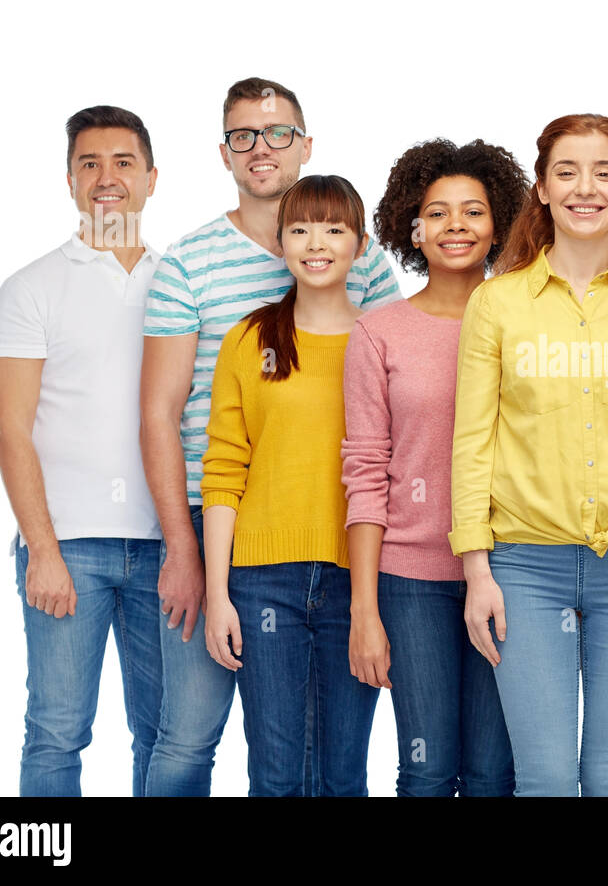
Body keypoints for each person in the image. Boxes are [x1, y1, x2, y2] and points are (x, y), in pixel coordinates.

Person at [141, 77, 401, 796]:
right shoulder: (218, 297)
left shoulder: (379, 321)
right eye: (245, 135)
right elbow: (203, 446)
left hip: (357, 560)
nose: (262, 146)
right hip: (243, 551)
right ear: (224, 151)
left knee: (343, 770)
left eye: (278, 132)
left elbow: (397, 440)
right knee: (239, 754)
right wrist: (195, 561)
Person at [449, 114, 608, 796]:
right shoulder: (496, 305)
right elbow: (472, 442)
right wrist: (477, 569)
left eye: (603, 173)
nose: (584, 188)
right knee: (546, 778)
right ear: (540, 188)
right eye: (566, 172)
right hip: (524, 569)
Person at [344, 139, 529, 796]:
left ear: (500, 222)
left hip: (511, 573)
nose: (456, 227)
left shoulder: (527, 324)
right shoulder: (380, 333)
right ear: (412, 226)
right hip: (411, 580)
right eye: (439, 213)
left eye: (473, 212)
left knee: (492, 773)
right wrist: (364, 611)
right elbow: (365, 475)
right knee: (425, 767)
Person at [0, 105, 163, 796]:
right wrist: (44, 549)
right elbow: (10, 426)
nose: (106, 178)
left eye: (123, 162)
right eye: (89, 163)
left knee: (166, 731)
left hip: (165, 544)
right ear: (69, 181)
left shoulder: (177, 280)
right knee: (58, 731)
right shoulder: (30, 288)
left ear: (152, 177)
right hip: (69, 546)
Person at [200, 174, 381, 795]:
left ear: (360, 243)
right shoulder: (251, 342)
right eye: (300, 229)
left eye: (334, 228)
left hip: (356, 579)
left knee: (343, 772)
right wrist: (217, 592)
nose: (316, 243)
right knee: (274, 773)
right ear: (280, 243)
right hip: (262, 579)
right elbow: (224, 469)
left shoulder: (381, 340)